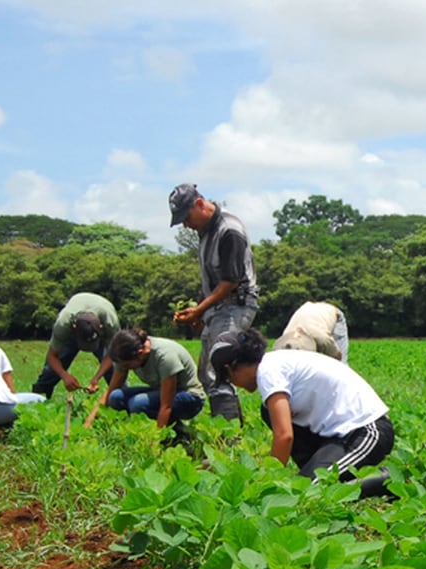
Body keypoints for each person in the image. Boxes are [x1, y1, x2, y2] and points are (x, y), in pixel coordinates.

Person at [209, 328, 394, 495]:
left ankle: (386, 481)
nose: (234, 384)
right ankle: (313, 471)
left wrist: (268, 482)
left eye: (228, 379)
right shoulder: (275, 362)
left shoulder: (268, 372)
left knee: (306, 493)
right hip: (339, 436)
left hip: (367, 431)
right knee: (268, 412)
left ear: (231, 368)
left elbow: (284, 436)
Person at [168, 183, 259, 422]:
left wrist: (200, 309)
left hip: (235, 306)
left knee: (217, 369)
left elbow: (230, 280)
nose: (186, 225)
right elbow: (212, 276)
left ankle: (228, 443)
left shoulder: (229, 230)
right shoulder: (206, 230)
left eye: (186, 218)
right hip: (218, 308)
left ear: (199, 204)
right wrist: (199, 312)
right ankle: (231, 430)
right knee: (206, 373)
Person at [92, 328, 205, 431]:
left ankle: (178, 431)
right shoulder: (126, 355)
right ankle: (130, 430)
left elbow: (166, 406)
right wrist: (89, 423)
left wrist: (156, 440)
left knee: (137, 403)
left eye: (127, 366)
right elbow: (110, 391)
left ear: (140, 354)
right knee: (115, 397)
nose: (124, 368)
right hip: (161, 391)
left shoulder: (164, 356)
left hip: (190, 397)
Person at [32, 292, 120, 398]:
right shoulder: (63, 323)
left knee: (116, 368)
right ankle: (38, 396)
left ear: (101, 327)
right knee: (54, 366)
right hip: (75, 318)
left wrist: (96, 378)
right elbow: (52, 356)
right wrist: (65, 376)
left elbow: (112, 355)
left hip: (103, 313)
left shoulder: (110, 322)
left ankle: (119, 397)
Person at [272, 301, 350, 363]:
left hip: (332, 313)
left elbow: (337, 356)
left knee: (341, 365)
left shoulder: (322, 338)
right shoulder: (285, 339)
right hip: (308, 311)